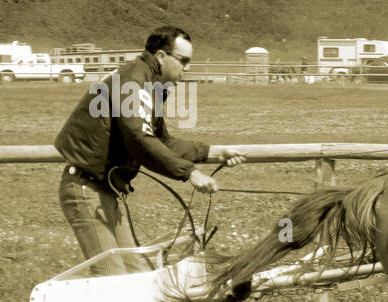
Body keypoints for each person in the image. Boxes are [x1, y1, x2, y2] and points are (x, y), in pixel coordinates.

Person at [54, 26, 246, 273]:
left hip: (104, 193)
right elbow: (139, 138)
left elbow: (162, 141)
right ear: (162, 56)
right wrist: (190, 173)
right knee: (114, 282)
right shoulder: (133, 80)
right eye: (183, 61)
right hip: (86, 190)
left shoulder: (148, 83)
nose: (186, 68)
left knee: (139, 276)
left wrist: (214, 153)